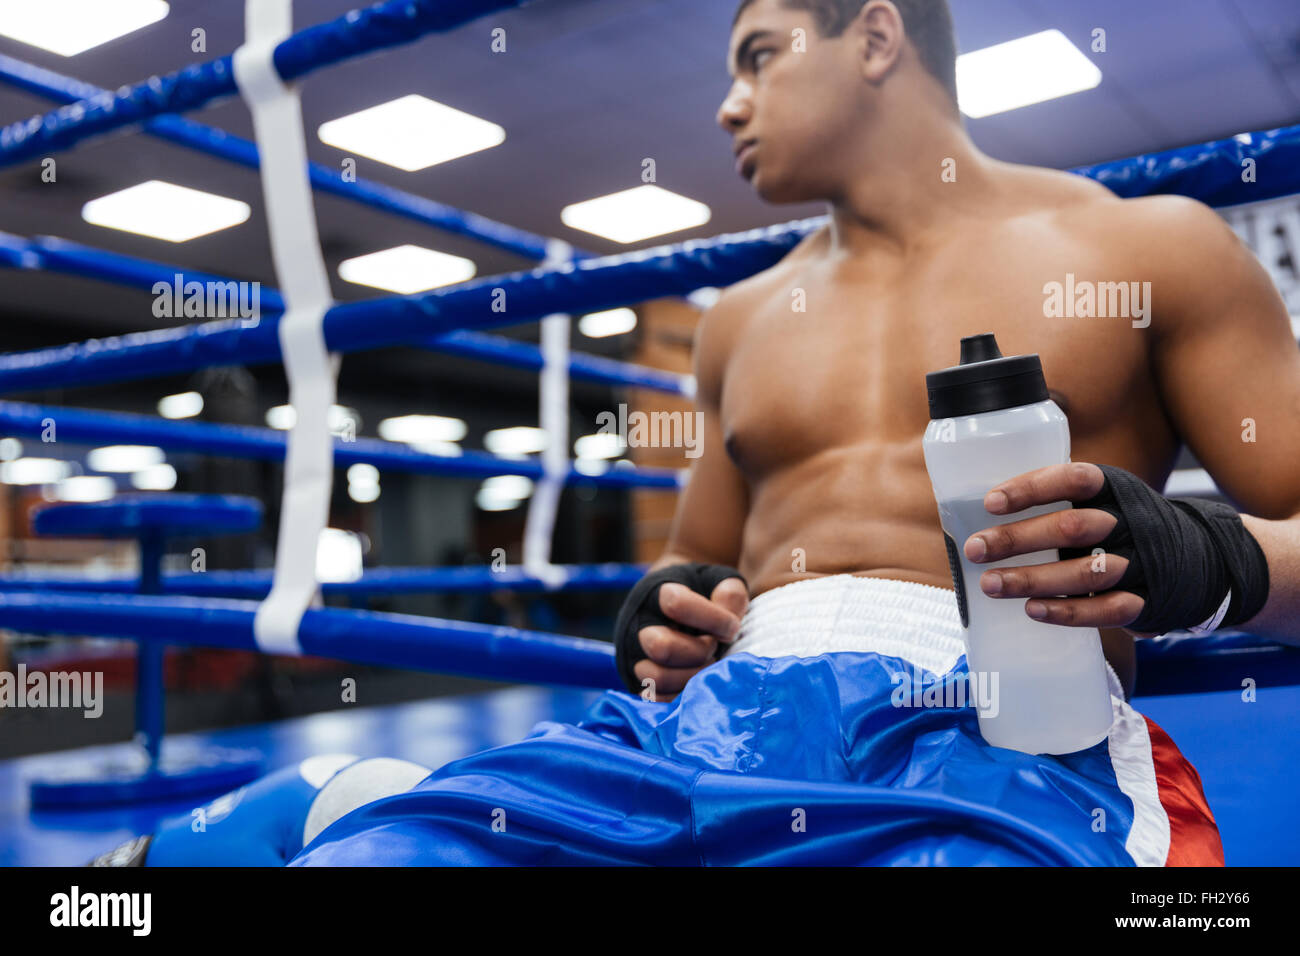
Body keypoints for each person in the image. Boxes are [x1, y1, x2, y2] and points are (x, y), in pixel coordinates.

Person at [95, 0, 1299, 866]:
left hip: (997, 728)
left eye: (759, 55)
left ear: (875, 38)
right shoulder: (732, 323)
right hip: (706, 732)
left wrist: (1210, 558)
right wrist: (671, 628)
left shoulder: (1147, 248)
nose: (727, 101)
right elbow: (690, 586)